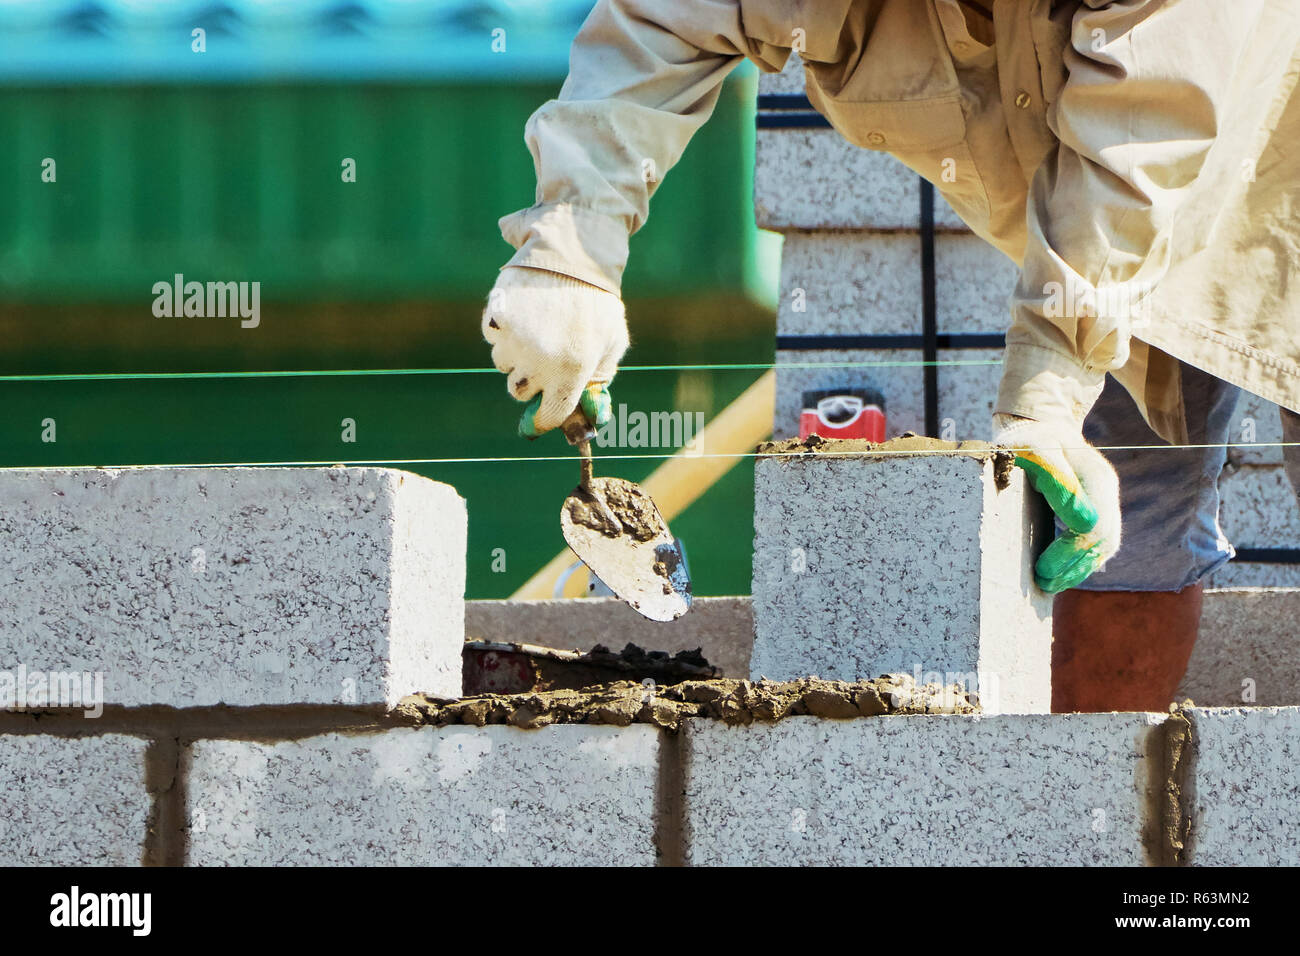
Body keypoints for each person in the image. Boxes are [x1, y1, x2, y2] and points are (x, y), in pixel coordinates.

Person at [481, 0, 1300, 712]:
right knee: (1127, 496)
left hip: (1260, 140)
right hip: (1103, 193)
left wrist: (1050, 378)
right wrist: (571, 249)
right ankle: (1088, 826)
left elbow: (1146, 128)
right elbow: (661, 20)